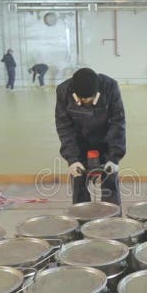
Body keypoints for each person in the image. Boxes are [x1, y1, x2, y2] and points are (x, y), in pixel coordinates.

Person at [55, 68, 126, 205]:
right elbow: (64, 127)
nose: (87, 101)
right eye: (83, 99)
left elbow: (117, 123)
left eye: (90, 98)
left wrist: (114, 157)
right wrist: (72, 159)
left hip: (106, 142)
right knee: (79, 184)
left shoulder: (110, 87)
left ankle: (113, 223)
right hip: (79, 144)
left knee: (110, 186)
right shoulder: (63, 91)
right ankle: (82, 222)